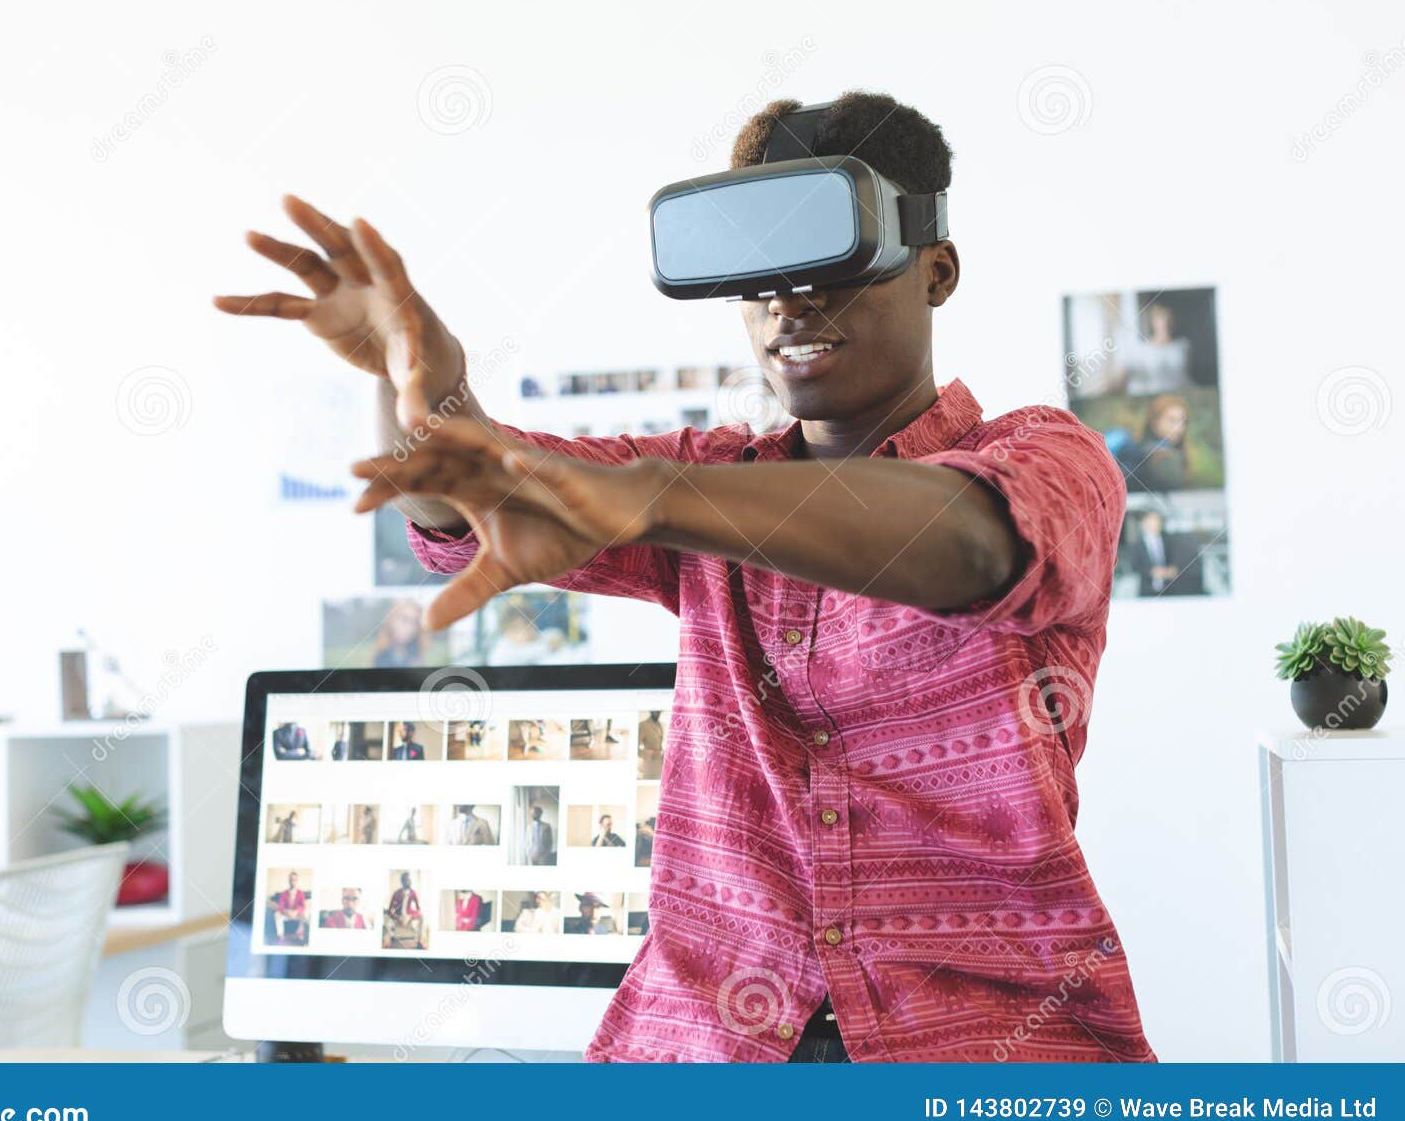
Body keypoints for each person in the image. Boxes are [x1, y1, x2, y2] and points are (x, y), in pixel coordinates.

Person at [217, 89, 1152, 1063]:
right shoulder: (710, 481)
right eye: (760, 279)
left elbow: (968, 543)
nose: (791, 303)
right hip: (703, 1046)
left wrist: (657, 495)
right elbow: (466, 487)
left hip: (982, 1047)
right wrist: (413, 378)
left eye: (830, 266)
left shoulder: (1048, 456)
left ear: (937, 270)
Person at [1114, 393, 1190, 492]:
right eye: (1172, 420)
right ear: (1155, 422)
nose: (1179, 429)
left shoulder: (1180, 452)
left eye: (1182, 422)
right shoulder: (1133, 452)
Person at [268, 871, 309, 946]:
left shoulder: (301, 893)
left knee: (306, 914)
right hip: (286, 914)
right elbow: (281, 906)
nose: (292, 881)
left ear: (297, 881)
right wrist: (286, 911)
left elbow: (303, 906)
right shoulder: (284, 893)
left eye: (294, 879)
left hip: (297, 915)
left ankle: (300, 934)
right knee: (277, 914)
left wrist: (296, 911)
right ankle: (280, 936)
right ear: (289, 880)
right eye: (291, 879)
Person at [384, 872, 424, 949]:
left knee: (422, 917)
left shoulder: (413, 893)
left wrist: (411, 916)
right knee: (385, 917)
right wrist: (396, 917)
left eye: (409, 880)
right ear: (402, 881)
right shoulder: (396, 893)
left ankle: (419, 940)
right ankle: (389, 938)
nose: (408, 881)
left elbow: (419, 909)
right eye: (406, 880)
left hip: (409, 917)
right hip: (398, 917)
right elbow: (390, 910)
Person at [524, 801, 556, 866]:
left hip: (543, 855)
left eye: (534, 813)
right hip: (532, 854)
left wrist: (547, 853)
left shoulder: (547, 826)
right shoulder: (528, 827)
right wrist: (528, 852)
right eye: (531, 813)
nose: (532, 814)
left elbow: (550, 841)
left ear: (540, 814)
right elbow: (526, 840)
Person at [637, 711, 664, 780]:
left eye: (659, 711)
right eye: (656, 711)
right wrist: (651, 754)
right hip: (649, 765)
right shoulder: (643, 725)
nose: (658, 713)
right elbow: (635, 749)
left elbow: (660, 745)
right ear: (651, 711)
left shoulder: (660, 725)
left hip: (660, 766)